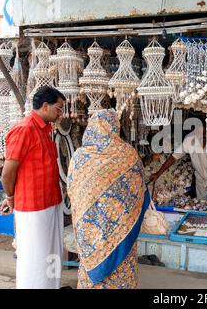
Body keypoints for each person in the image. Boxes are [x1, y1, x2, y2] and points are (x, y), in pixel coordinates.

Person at [67, 109, 150, 289]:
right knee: (122, 273)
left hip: (89, 232)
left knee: (90, 272)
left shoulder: (79, 157)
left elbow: (71, 190)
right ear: (115, 128)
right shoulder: (128, 154)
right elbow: (139, 190)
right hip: (121, 229)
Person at [0, 86, 65, 289]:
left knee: (51, 255)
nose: (61, 113)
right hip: (33, 208)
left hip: (51, 202)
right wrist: (10, 197)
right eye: (59, 108)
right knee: (35, 260)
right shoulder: (24, 129)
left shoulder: (45, 130)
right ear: (45, 106)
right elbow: (7, 173)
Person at [150, 117, 207, 202]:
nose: (202, 136)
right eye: (199, 133)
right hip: (201, 180)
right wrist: (158, 173)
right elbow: (173, 158)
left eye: (205, 133)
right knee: (201, 204)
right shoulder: (189, 140)